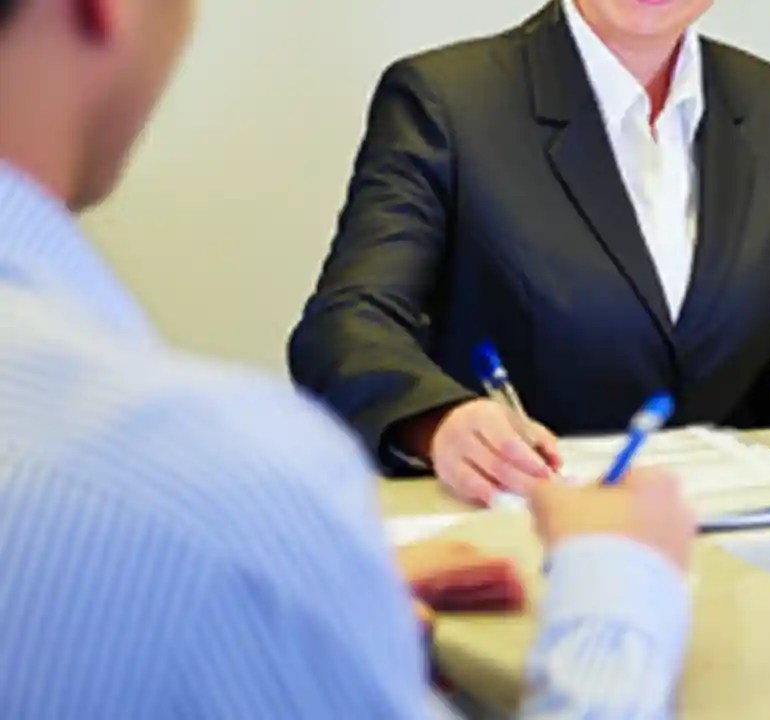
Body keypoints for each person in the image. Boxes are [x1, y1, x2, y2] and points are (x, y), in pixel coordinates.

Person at [0, 0, 697, 717]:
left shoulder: (182, 508)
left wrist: (303, 576)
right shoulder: (206, 492)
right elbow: (348, 321)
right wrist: (618, 586)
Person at [289, 0, 770, 506]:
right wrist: (438, 421)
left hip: (740, 545)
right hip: (526, 532)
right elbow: (346, 326)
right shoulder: (446, 99)